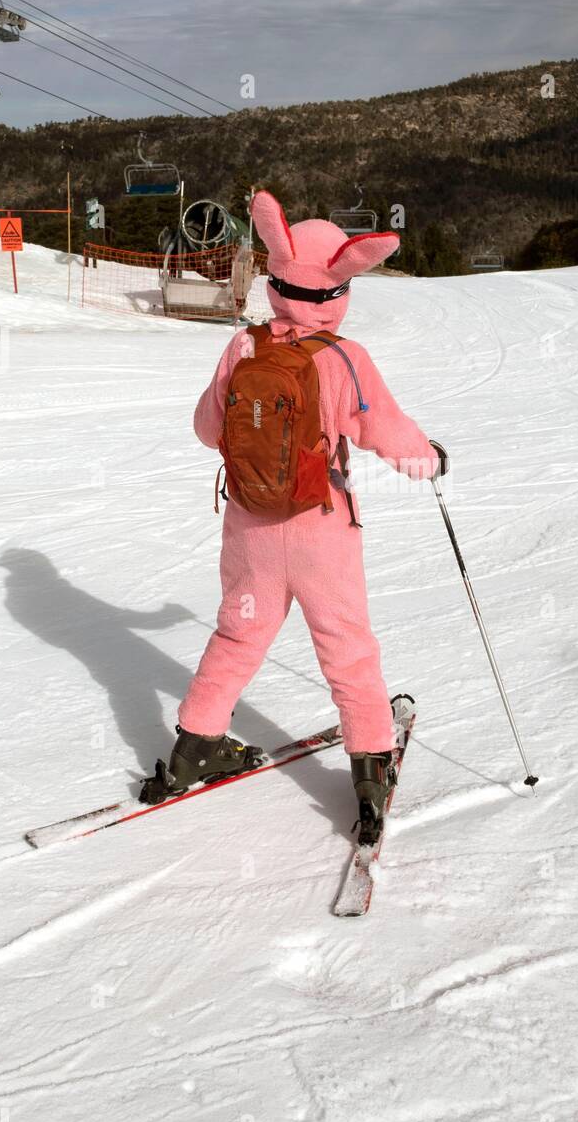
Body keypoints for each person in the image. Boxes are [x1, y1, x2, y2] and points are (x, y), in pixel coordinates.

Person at [140, 191, 444, 831]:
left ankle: (194, 747)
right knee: (346, 645)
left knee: (238, 634)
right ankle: (369, 767)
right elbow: (385, 431)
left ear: (275, 283)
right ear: (337, 289)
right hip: (321, 531)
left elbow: (204, 428)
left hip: (249, 524)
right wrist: (429, 460)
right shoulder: (345, 358)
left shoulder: (242, 349)